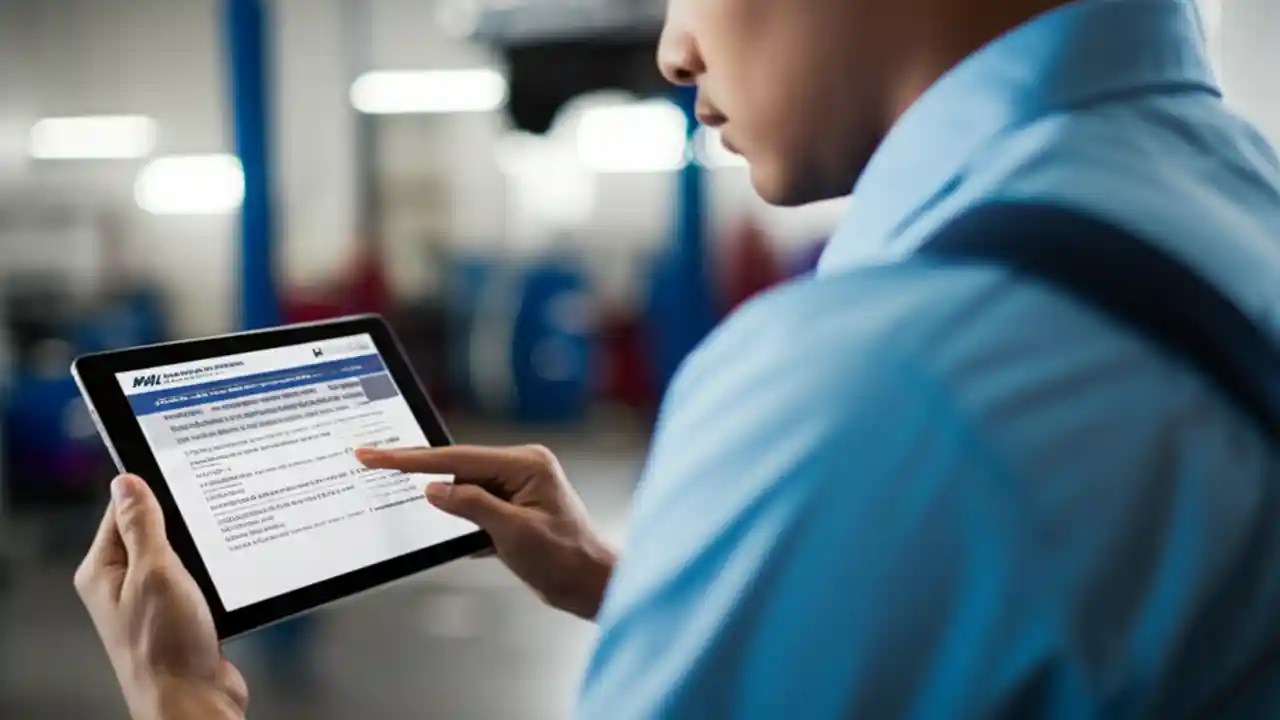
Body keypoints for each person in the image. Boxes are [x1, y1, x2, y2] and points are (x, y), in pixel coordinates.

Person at [75, 0, 1280, 717]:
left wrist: (188, 700)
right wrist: (636, 585)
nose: (670, 48)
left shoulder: (875, 385)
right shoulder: (1226, 200)